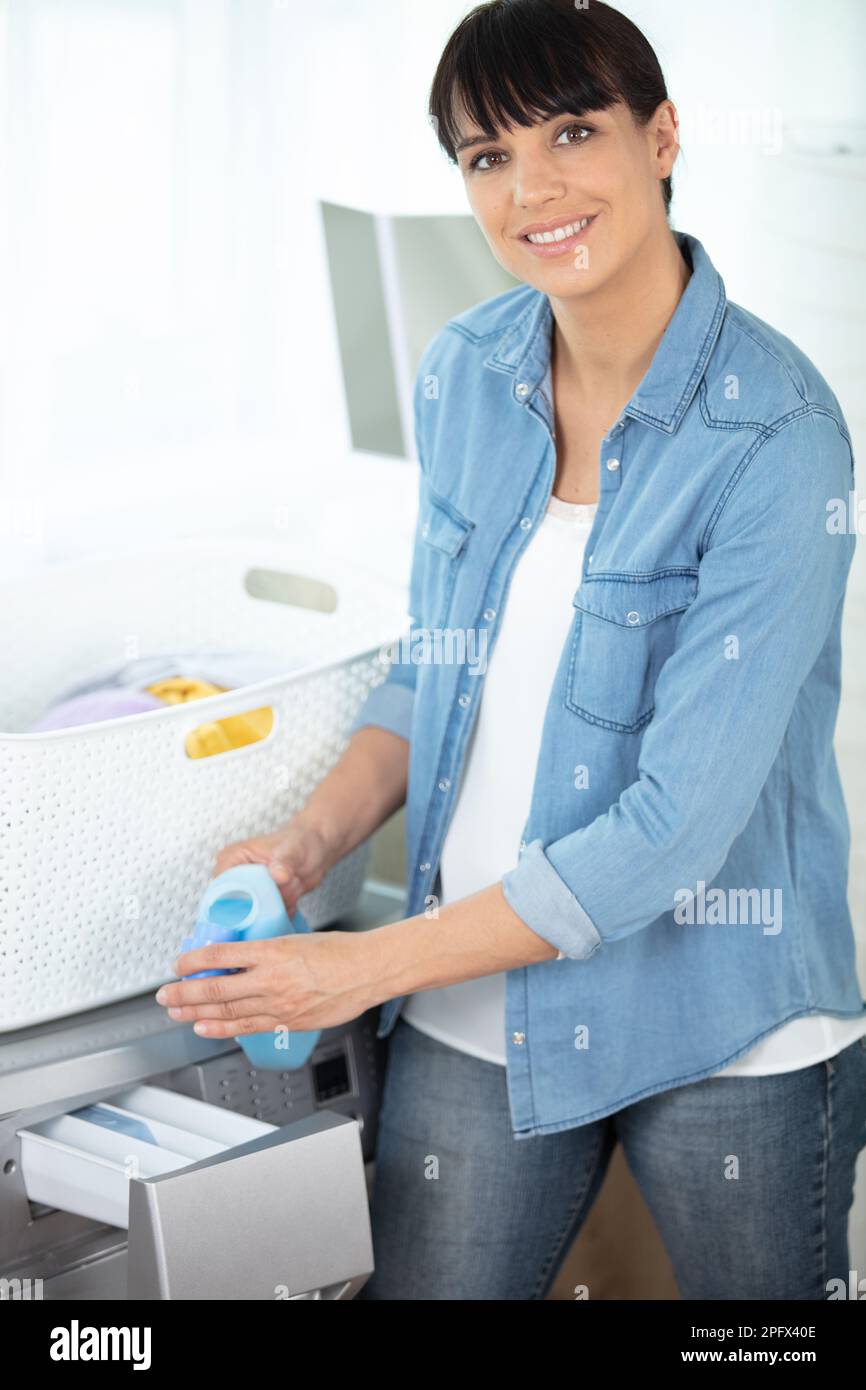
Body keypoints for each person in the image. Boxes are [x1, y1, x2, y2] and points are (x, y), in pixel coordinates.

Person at [155, 0, 866, 1300]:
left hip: (724, 1020)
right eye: (486, 154)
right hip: (470, 999)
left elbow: (666, 834)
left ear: (660, 137)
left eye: (572, 130)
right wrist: (309, 845)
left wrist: (358, 963)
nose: (530, 186)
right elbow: (436, 668)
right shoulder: (463, 374)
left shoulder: (779, 440)